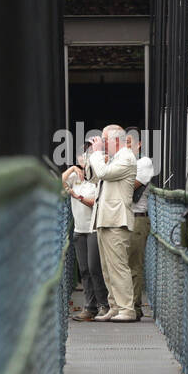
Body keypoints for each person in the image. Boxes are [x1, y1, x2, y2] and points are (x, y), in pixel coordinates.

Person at [88, 125, 137, 322]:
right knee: (108, 268)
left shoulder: (126, 157)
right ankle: (115, 307)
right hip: (106, 218)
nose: (101, 143)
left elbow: (103, 173)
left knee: (118, 266)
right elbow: (93, 178)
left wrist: (97, 154)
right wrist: (94, 156)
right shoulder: (114, 159)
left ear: (116, 141)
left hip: (117, 220)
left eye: (104, 139)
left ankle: (127, 308)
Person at [62, 161, 108, 322]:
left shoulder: (100, 179)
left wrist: (76, 196)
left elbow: (94, 203)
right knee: (84, 270)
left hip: (94, 229)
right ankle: (89, 307)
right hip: (79, 230)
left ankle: (104, 305)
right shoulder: (75, 177)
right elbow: (58, 182)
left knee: (94, 268)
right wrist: (72, 168)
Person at [124, 128, 153, 320]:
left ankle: (134, 307)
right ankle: (123, 306)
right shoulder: (124, 163)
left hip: (137, 218)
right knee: (122, 264)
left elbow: (127, 186)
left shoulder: (144, 162)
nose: (126, 147)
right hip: (123, 218)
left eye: (129, 143)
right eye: (123, 143)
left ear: (138, 144)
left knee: (133, 265)